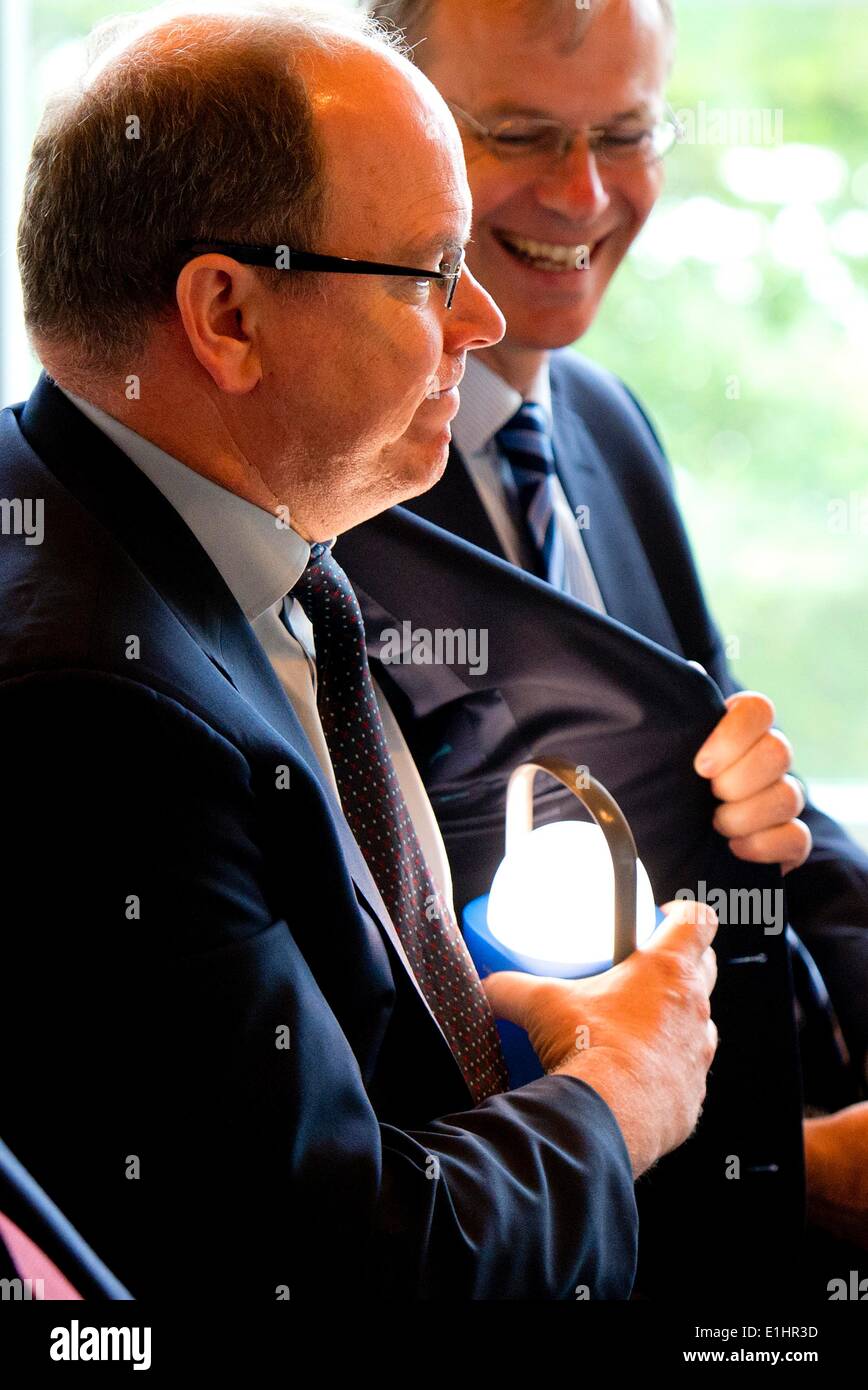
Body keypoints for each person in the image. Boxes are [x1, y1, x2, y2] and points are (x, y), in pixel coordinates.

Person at [0, 0, 719, 1300]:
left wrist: (520, 987)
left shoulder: (210, 535)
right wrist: (625, 1093)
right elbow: (329, 1269)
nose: (484, 322)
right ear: (226, 314)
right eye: (433, 269)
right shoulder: (97, 716)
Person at [368, 0, 868, 1272]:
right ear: (400, 138)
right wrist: (789, 1170)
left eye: (627, 132)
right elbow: (404, 1022)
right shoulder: (325, 491)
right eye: (524, 134)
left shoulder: (599, 414)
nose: (583, 193)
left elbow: (762, 795)